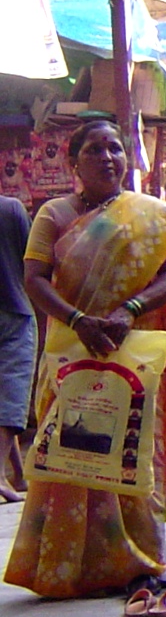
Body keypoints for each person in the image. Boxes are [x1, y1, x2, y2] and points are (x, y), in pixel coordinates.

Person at [6, 121, 166, 598]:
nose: (108, 157)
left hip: (135, 355)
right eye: (94, 150)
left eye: (115, 148)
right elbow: (35, 278)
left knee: (137, 454)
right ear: (74, 163)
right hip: (74, 352)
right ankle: (71, 565)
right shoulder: (54, 214)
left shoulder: (152, 217)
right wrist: (79, 319)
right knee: (72, 457)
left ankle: (140, 562)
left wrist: (128, 311)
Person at [0, 194, 34, 502]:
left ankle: (19, 476)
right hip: (14, 310)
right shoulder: (11, 208)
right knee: (12, 393)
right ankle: (0, 476)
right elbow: (32, 261)